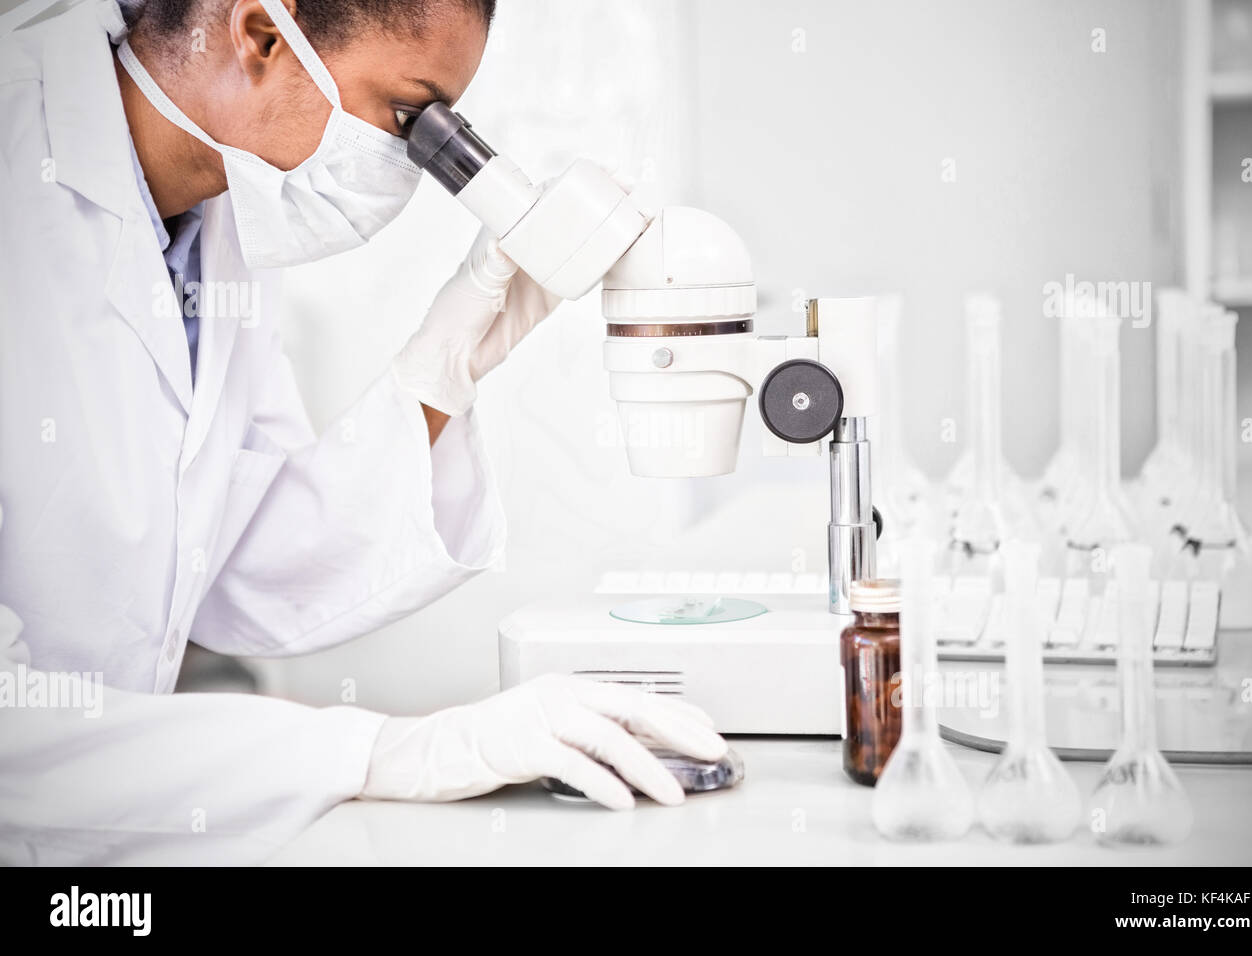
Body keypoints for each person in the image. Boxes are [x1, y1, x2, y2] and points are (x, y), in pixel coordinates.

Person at [0, 0, 725, 865]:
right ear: (264, 33)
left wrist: (440, 372)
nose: (411, 162)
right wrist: (390, 751)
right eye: (409, 118)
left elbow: (236, 569)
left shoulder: (216, 223)